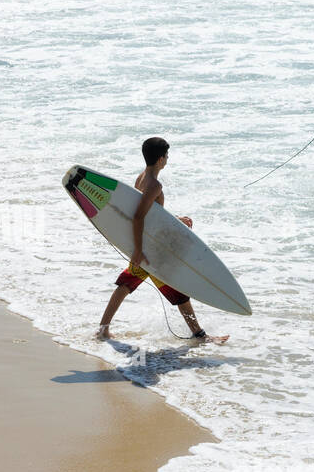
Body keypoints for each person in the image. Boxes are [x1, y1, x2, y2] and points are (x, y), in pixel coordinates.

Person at [95, 137, 227, 344]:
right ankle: (200, 335)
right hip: (151, 250)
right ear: (160, 159)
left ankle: (103, 329)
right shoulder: (155, 185)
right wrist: (139, 251)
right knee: (177, 292)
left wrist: (175, 219)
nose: (167, 159)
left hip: (148, 246)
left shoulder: (141, 178)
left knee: (126, 285)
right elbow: (138, 217)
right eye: (166, 155)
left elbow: (151, 214)